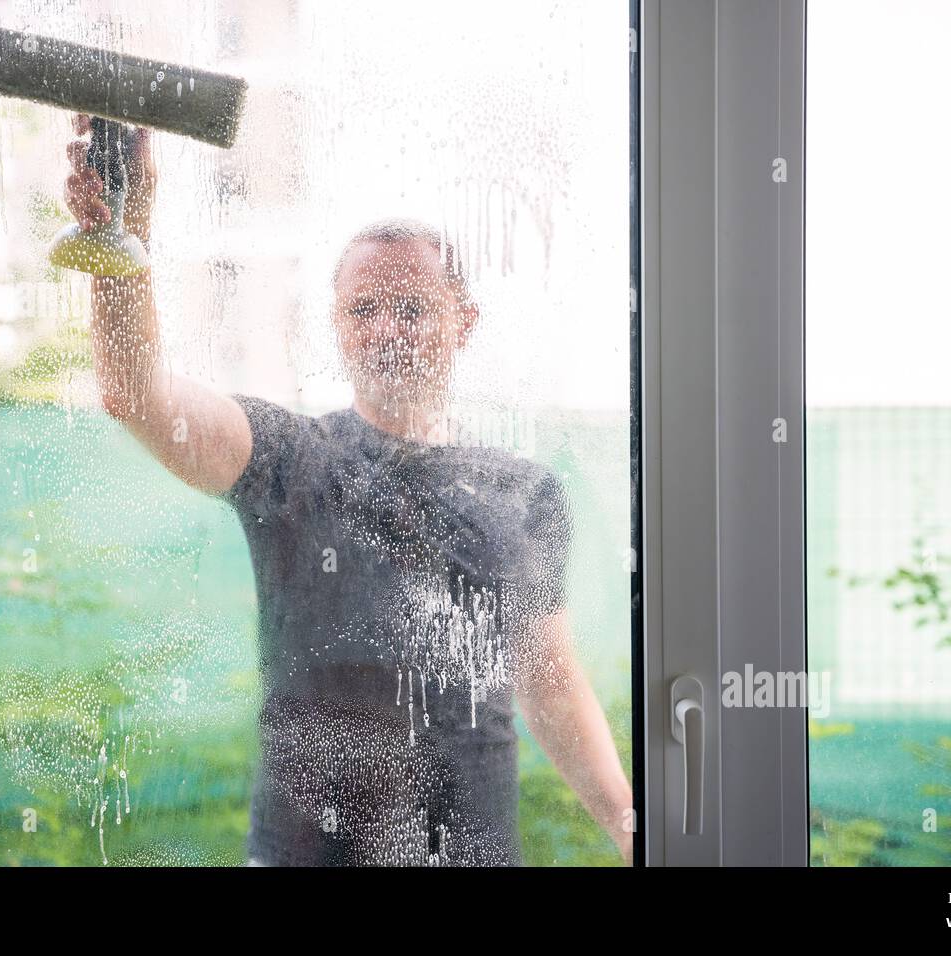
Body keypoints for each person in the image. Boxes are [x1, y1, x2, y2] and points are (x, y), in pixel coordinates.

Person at [64, 114, 633, 866]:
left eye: (412, 308)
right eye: (362, 310)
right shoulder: (291, 458)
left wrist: (635, 833)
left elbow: (552, 685)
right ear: (336, 326)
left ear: (464, 321)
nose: (384, 329)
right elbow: (136, 396)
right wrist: (124, 234)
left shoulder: (525, 494)